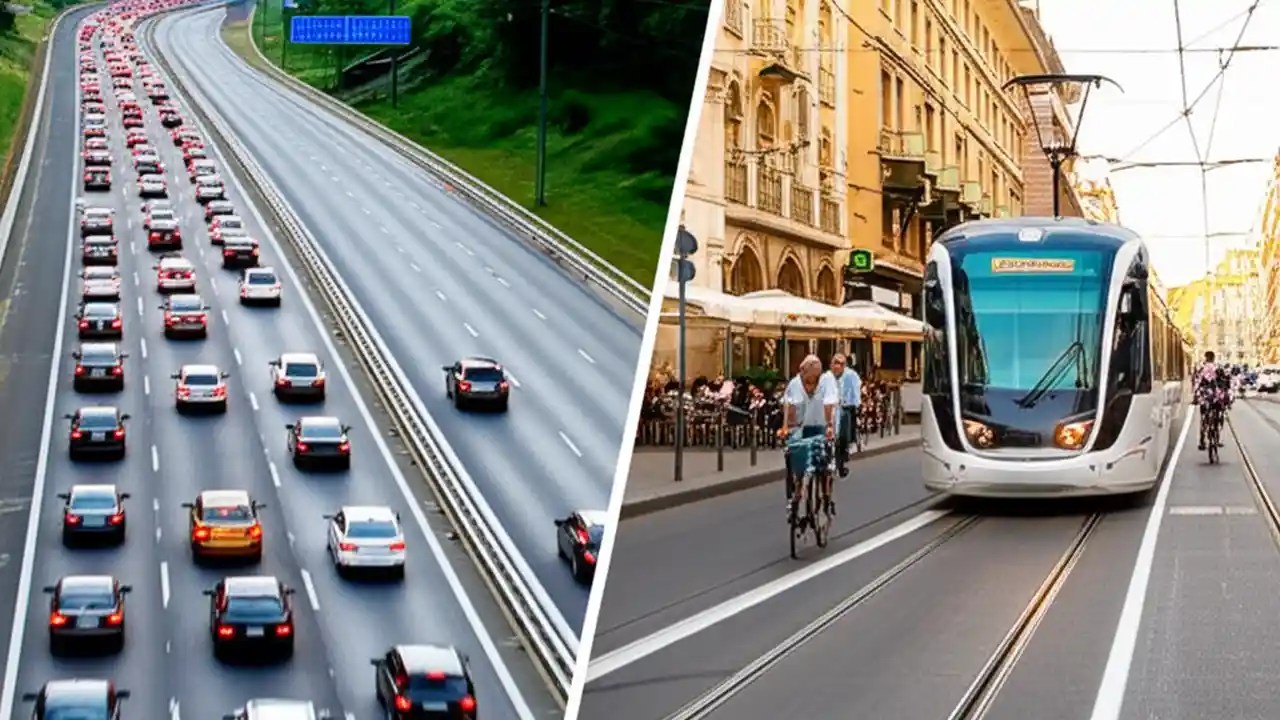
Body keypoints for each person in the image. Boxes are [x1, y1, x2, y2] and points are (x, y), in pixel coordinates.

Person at [778, 354, 838, 514]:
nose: (811, 381)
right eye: (808, 377)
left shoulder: (827, 381)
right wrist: (786, 428)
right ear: (802, 371)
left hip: (822, 425)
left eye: (815, 377)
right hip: (800, 427)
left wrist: (830, 426)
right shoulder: (795, 384)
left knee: (824, 462)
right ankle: (796, 494)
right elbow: (789, 407)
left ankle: (826, 495)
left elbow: (829, 405)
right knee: (795, 456)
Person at [823, 353, 861, 477]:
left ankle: (842, 460)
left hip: (844, 408)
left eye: (841, 364)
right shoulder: (825, 378)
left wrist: (853, 404)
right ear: (831, 365)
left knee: (843, 435)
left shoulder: (851, 376)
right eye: (835, 363)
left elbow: (856, 394)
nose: (837, 366)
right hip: (827, 409)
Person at [1194, 351, 1231, 451]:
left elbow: (1197, 383)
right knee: (1220, 414)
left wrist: (1196, 397)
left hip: (1205, 397)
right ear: (1214, 358)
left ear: (1206, 358)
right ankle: (1217, 438)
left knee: (1203, 417)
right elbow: (1225, 382)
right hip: (1217, 396)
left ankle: (1202, 440)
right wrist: (1226, 394)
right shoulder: (1218, 368)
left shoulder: (1201, 368)